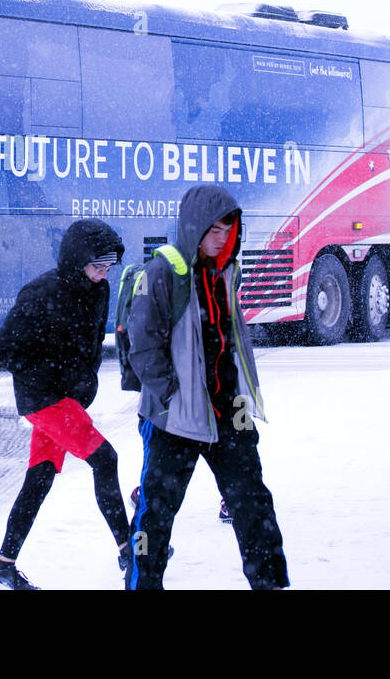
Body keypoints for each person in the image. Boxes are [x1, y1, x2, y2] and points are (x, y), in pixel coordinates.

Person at [125, 185, 288, 590]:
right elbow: (141, 345)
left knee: (253, 504)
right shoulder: (164, 271)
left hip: (228, 410)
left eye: (228, 230)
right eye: (214, 229)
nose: (221, 238)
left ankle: (270, 584)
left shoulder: (226, 269)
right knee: (156, 516)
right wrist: (170, 393)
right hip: (174, 416)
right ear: (195, 226)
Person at [0, 218, 131, 590]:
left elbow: (92, 345)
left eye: (107, 268)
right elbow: (5, 349)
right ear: (76, 260)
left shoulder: (98, 292)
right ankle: (130, 552)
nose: (102, 275)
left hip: (67, 399)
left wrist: (84, 381)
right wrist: (49, 378)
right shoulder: (41, 293)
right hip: (45, 399)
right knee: (106, 459)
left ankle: (4, 564)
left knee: (39, 478)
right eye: (97, 267)